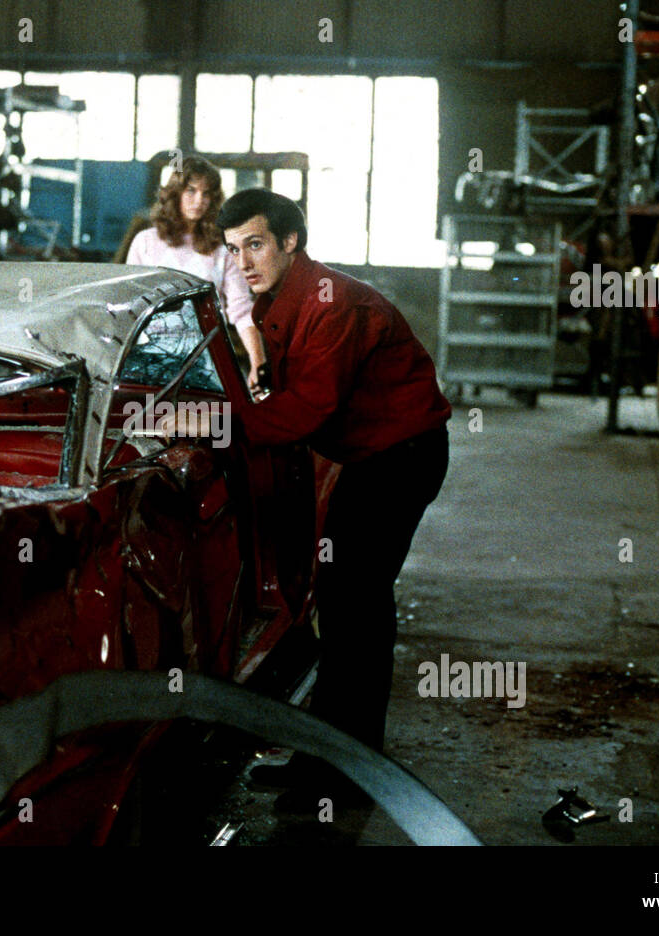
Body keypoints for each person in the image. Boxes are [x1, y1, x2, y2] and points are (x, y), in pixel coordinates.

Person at [165, 188, 452, 809]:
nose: (244, 261)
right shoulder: (277, 300)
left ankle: (350, 772)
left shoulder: (331, 303)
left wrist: (208, 421)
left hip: (401, 457)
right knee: (344, 605)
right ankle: (330, 758)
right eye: (235, 248)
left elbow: (301, 414)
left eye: (257, 244)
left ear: (291, 241)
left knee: (356, 607)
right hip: (373, 455)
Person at [125, 156, 268, 389]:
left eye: (207, 193)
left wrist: (258, 363)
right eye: (191, 191)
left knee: (213, 422)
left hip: (207, 359)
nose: (199, 200)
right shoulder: (145, 242)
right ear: (175, 193)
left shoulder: (222, 250)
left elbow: (241, 311)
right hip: (150, 358)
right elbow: (128, 307)